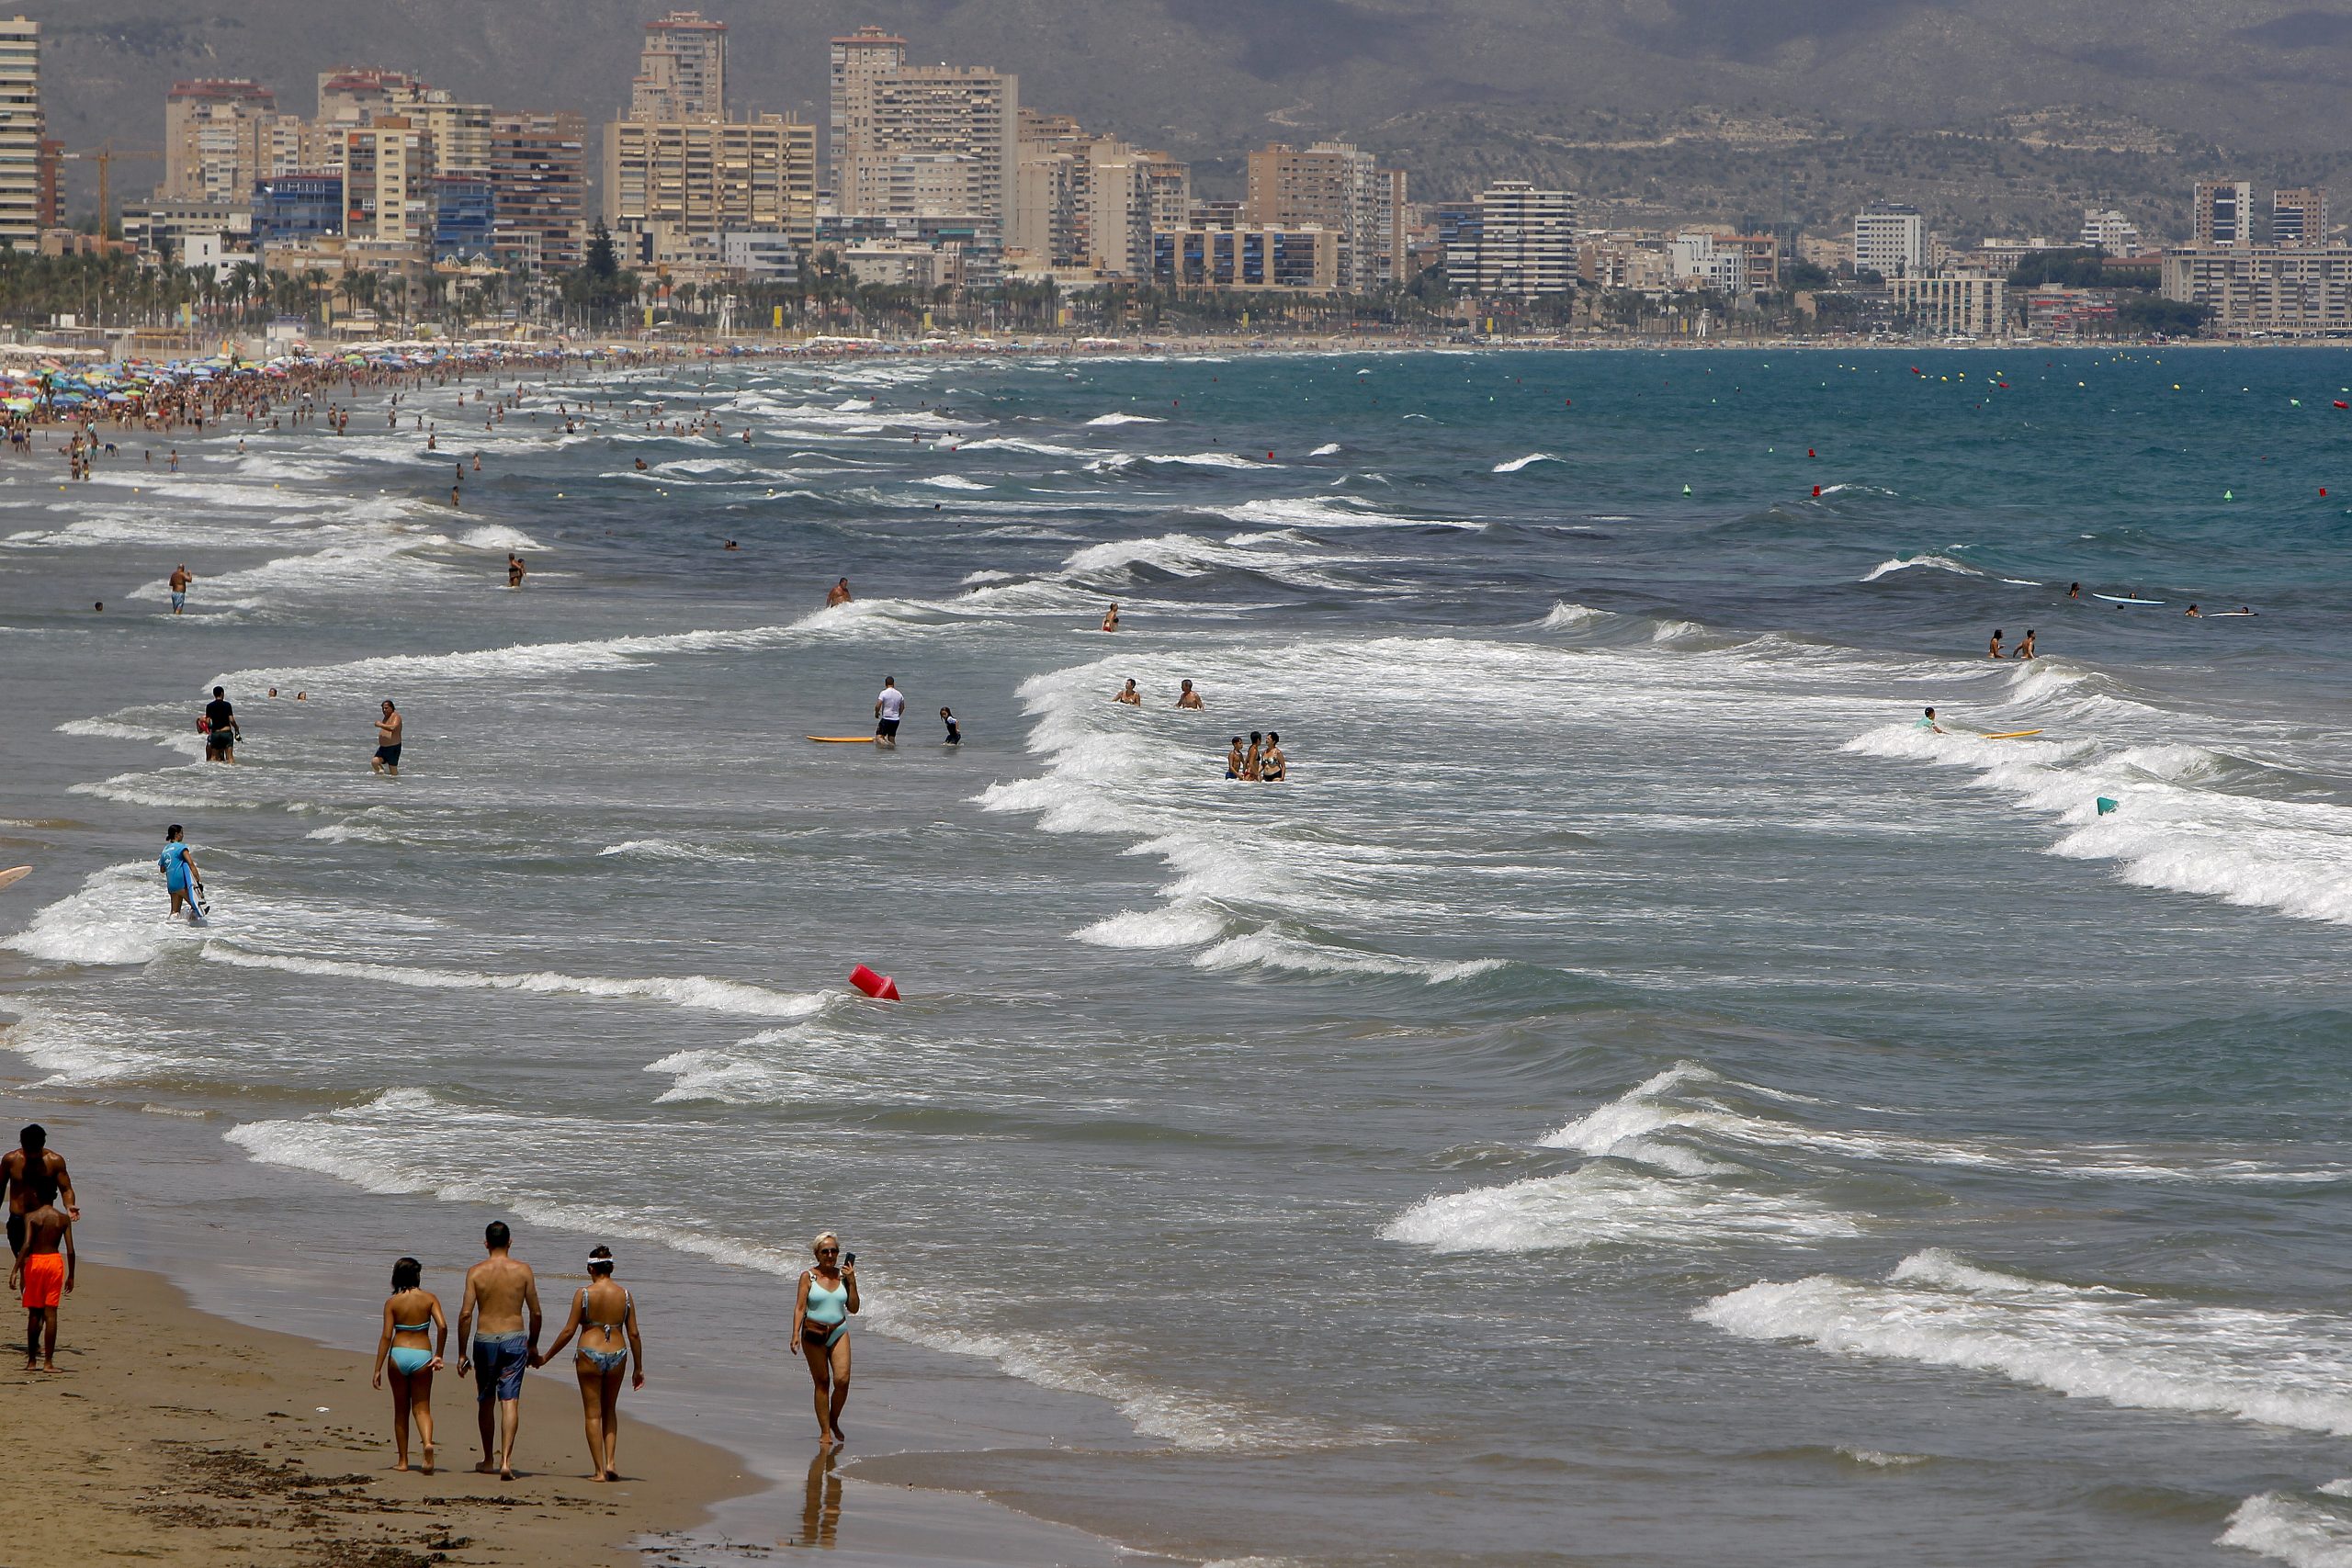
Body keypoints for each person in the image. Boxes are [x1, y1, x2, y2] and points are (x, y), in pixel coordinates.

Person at [535, 1245, 644, 1482]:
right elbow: (634, 1334)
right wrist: (638, 1367)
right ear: (612, 1268)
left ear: (589, 1269)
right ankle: (611, 1462)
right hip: (618, 1353)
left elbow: (568, 1331)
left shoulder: (584, 1294)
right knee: (610, 1410)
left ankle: (599, 1471)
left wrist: (546, 1357)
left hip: (589, 1353)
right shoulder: (625, 1295)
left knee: (593, 1414)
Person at [456, 1221, 542, 1481]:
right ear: (510, 1242)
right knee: (510, 1400)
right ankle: (506, 1460)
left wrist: (462, 1353)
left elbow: (466, 1314)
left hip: (485, 1339)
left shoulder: (475, 1272)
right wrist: (533, 1343)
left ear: (486, 1244)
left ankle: (488, 1459)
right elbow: (536, 1312)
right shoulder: (523, 1271)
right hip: (515, 1338)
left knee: (486, 1399)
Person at [369, 1256, 448, 1473]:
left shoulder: (392, 1303)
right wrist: (439, 1354)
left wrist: (377, 1368)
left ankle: (403, 1461)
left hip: (398, 1355)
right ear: (417, 1275)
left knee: (401, 1410)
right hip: (423, 1355)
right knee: (422, 1408)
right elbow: (442, 1327)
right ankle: (428, 1443)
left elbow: (386, 1336)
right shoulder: (429, 1298)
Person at [792, 1233, 859, 1448]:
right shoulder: (808, 1277)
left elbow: (854, 1308)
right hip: (813, 1332)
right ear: (817, 1254)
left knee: (842, 1381)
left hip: (839, 1330)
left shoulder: (843, 1276)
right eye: (825, 1251)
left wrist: (852, 1281)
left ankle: (834, 1420)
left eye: (834, 1251)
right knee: (822, 1382)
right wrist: (795, 1334)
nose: (830, 1255)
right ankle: (824, 1431)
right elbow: (800, 1307)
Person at [9, 1191, 71, 1372]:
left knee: (34, 1314)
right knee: (51, 1313)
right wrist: (72, 1275)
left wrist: (15, 1268)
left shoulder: (31, 1217)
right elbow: (71, 1250)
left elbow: (27, 1244)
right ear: (54, 1195)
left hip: (35, 1262)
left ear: (35, 1196)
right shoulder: (62, 1218)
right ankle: (48, 1363)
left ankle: (32, 1362)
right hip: (54, 1262)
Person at [3, 1125, 74, 1260]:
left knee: (39, 1258)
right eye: (28, 1150)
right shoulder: (10, 1160)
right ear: (22, 1143)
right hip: (17, 1218)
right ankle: (25, 1277)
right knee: (20, 1257)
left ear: (42, 1144)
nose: (32, 1155)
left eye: (35, 1151)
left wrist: (69, 1205)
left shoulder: (55, 1162)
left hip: (43, 1220)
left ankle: (28, 1279)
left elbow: (66, 1189)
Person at [158, 825, 203, 923]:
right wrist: (198, 881)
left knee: (174, 912)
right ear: (176, 834)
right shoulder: (181, 847)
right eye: (181, 833)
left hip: (171, 884)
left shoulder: (165, 850)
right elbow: (191, 864)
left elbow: (162, 869)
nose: (183, 835)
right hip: (181, 882)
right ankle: (195, 930)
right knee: (195, 907)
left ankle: (171, 929)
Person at [202, 686, 238, 763]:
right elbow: (231, 720)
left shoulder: (209, 706)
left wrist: (209, 727)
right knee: (230, 757)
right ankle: (233, 773)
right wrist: (236, 728)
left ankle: (214, 772)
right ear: (222, 693)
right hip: (226, 733)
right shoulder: (227, 705)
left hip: (216, 734)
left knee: (214, 757)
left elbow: (208, 722)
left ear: (214, 694)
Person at [373, 702, 403, 777]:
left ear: (391, 708)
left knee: (393, 771)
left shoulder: (396, 716)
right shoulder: (386, 717)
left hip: (393, 747)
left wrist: (380, 724)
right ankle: (383, 775)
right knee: (375, 762)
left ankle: (395, 786)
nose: (384, 710)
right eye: (383, 708)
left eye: (386, 708)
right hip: (383, 748)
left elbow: (393, 727)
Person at [874, 677, 905, 745]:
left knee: (879, 738)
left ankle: (888, 746)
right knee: (891, 738)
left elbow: (878, 705)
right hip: (896, 720)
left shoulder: (884, 693)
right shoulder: (899, 694)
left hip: (886, 719)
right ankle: (893, 752)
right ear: (893, 683)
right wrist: (898, 714)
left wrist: (876, 713)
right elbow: (902, 707)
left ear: (885, 684)